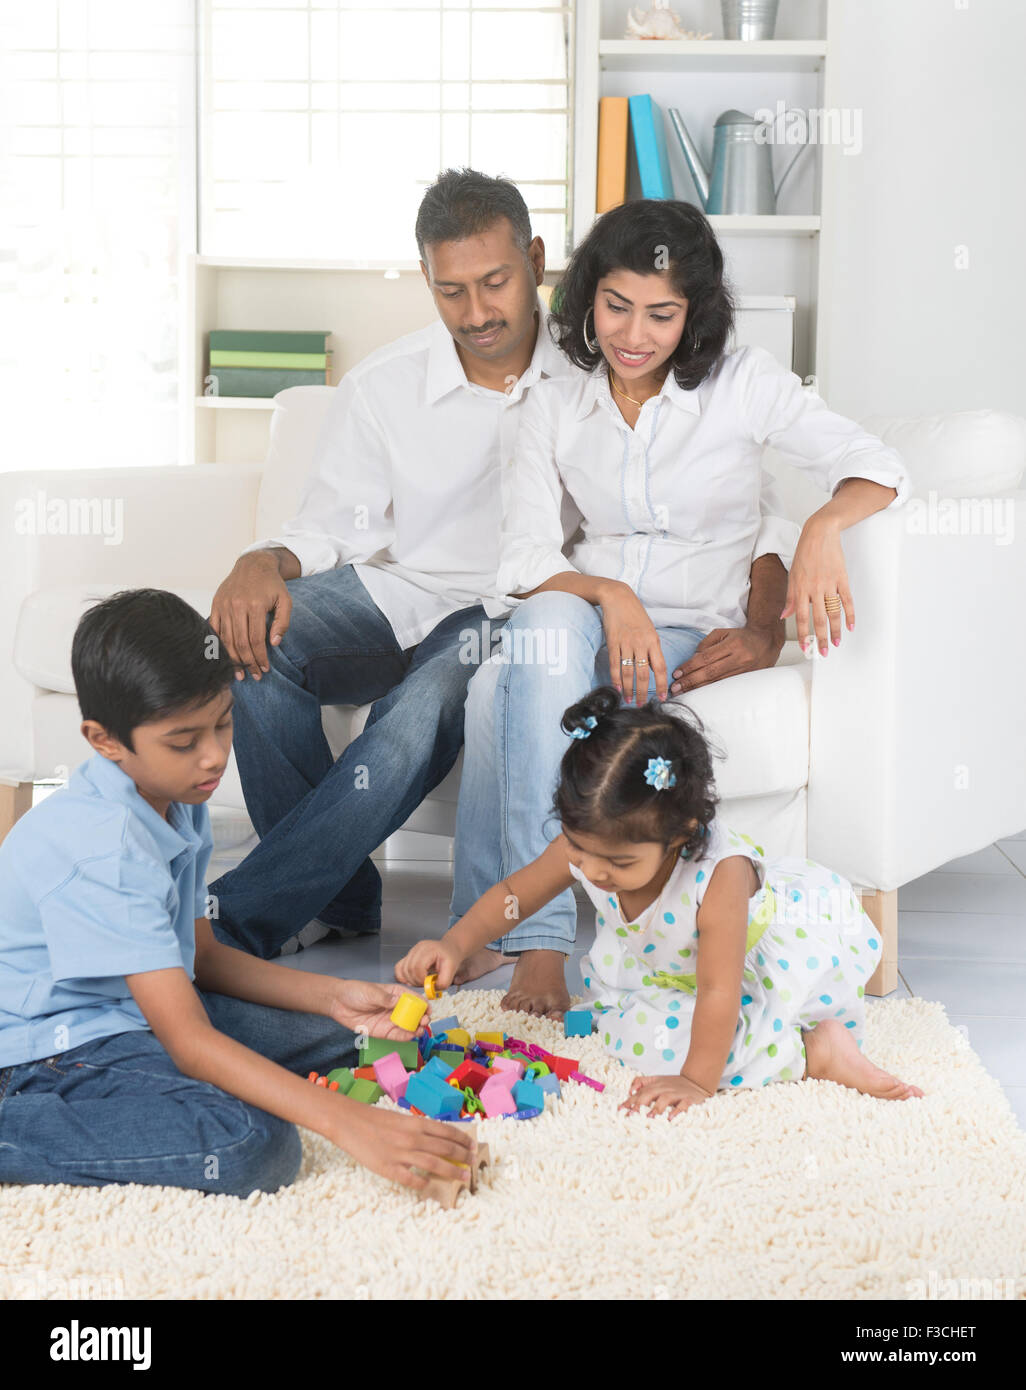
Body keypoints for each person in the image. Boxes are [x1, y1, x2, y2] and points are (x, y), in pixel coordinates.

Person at [205, 170, 793, 974]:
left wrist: (764, 626)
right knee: (256, 645)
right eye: (452, 291)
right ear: (426, 280)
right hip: (397, 588)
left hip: (513, 610)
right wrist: (263, 562)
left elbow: (742, 508)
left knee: (421, 713)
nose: (477, 312)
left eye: (495, 282)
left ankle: (237, 920)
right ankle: (335, 902)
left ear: (538, 261)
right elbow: (328, 528)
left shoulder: (611, 361)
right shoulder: (385, 385)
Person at [452, 197, 912, 1018]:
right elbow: (524, 561)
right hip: (585, 619)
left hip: (688, 625)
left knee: (495, 691)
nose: (634, 335)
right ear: (588, 296)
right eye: (617, 306)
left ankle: (522, 937)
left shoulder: (745, 385)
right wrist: (611, 594)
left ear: (693, 314)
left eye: (661, 315)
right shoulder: (555, 402)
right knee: (536, 635)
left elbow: (876, 464)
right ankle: (540, 940)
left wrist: (823, 524)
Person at [0, 590, 475, 1197]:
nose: (213, 756)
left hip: (139, 1011)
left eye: (223, 723)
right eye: (183, 741)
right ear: (104, 740)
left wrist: (334, 998)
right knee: (254, 1144)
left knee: (352, 1042)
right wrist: (354, 1124)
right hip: (49, 1052)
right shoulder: (104, 848)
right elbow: (190, 1041)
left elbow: (204, 958)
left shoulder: (175, 799)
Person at [397, 687, 924, 1112]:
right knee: (617, 1026)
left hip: (744, 964)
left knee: (669, 1050)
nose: (595, 872)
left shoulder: (719, 878)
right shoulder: (587, 846)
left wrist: (696, 1081)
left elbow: (720, 991)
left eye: (620, 864)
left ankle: (816, 1050)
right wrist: (454, 943)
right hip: (663, 969)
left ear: (681, 834)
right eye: (580, 850)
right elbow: (515, 897)